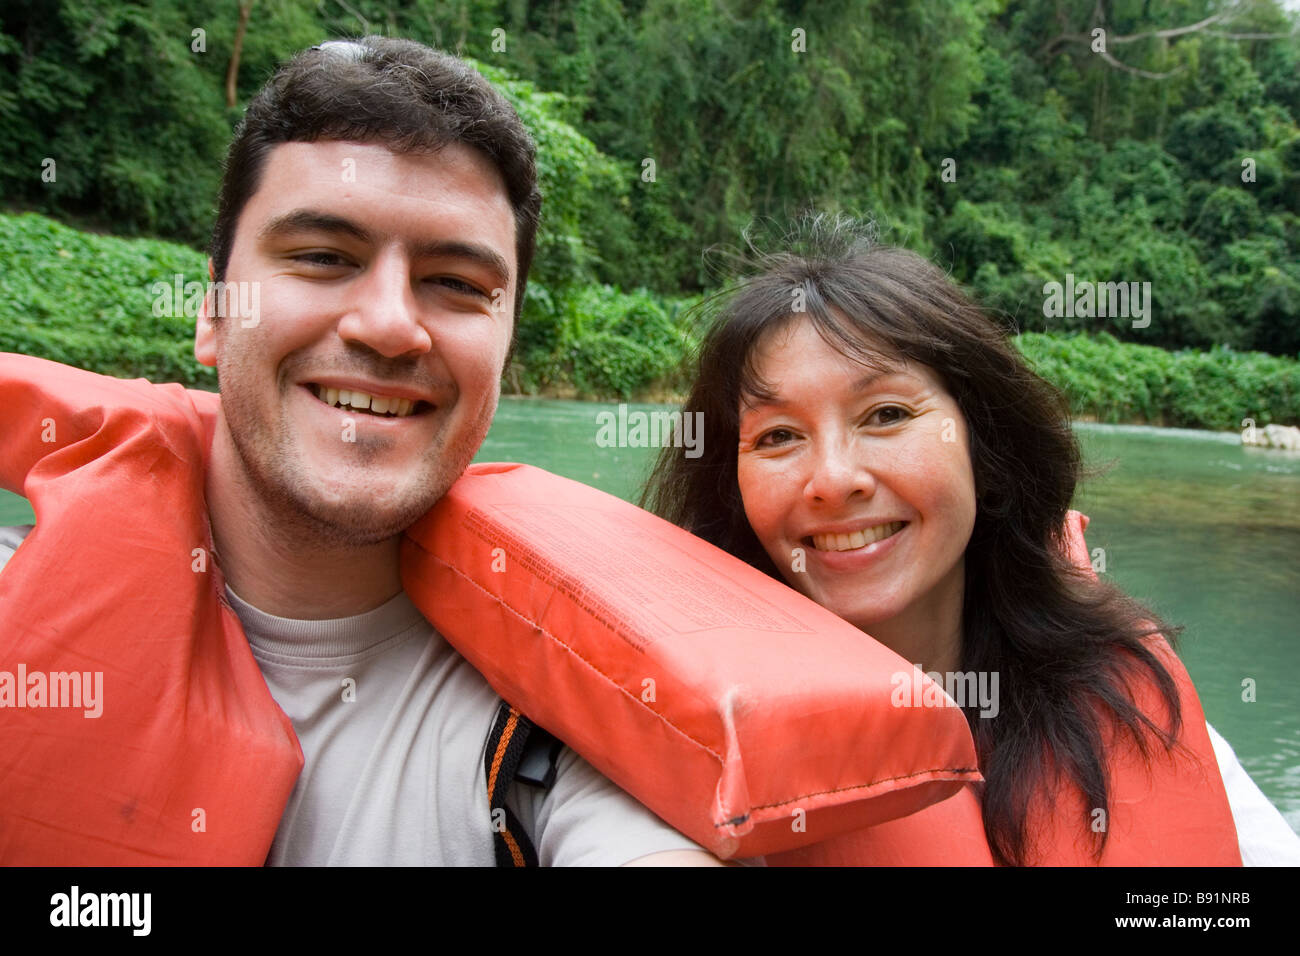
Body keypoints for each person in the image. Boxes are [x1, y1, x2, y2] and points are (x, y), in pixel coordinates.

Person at [0, 36, 718, 866]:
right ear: (212, 312)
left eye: (454, 282)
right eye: (321, 257)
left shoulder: (578, 731)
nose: (387, 324)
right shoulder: (18, 601)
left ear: (507, 346)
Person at [643, 213, 1300, 866]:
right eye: (778, 436)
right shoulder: (684, 762)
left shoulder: (1138, 715)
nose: (834, 480)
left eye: (887, 415)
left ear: (984, 454)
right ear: (732, 485)